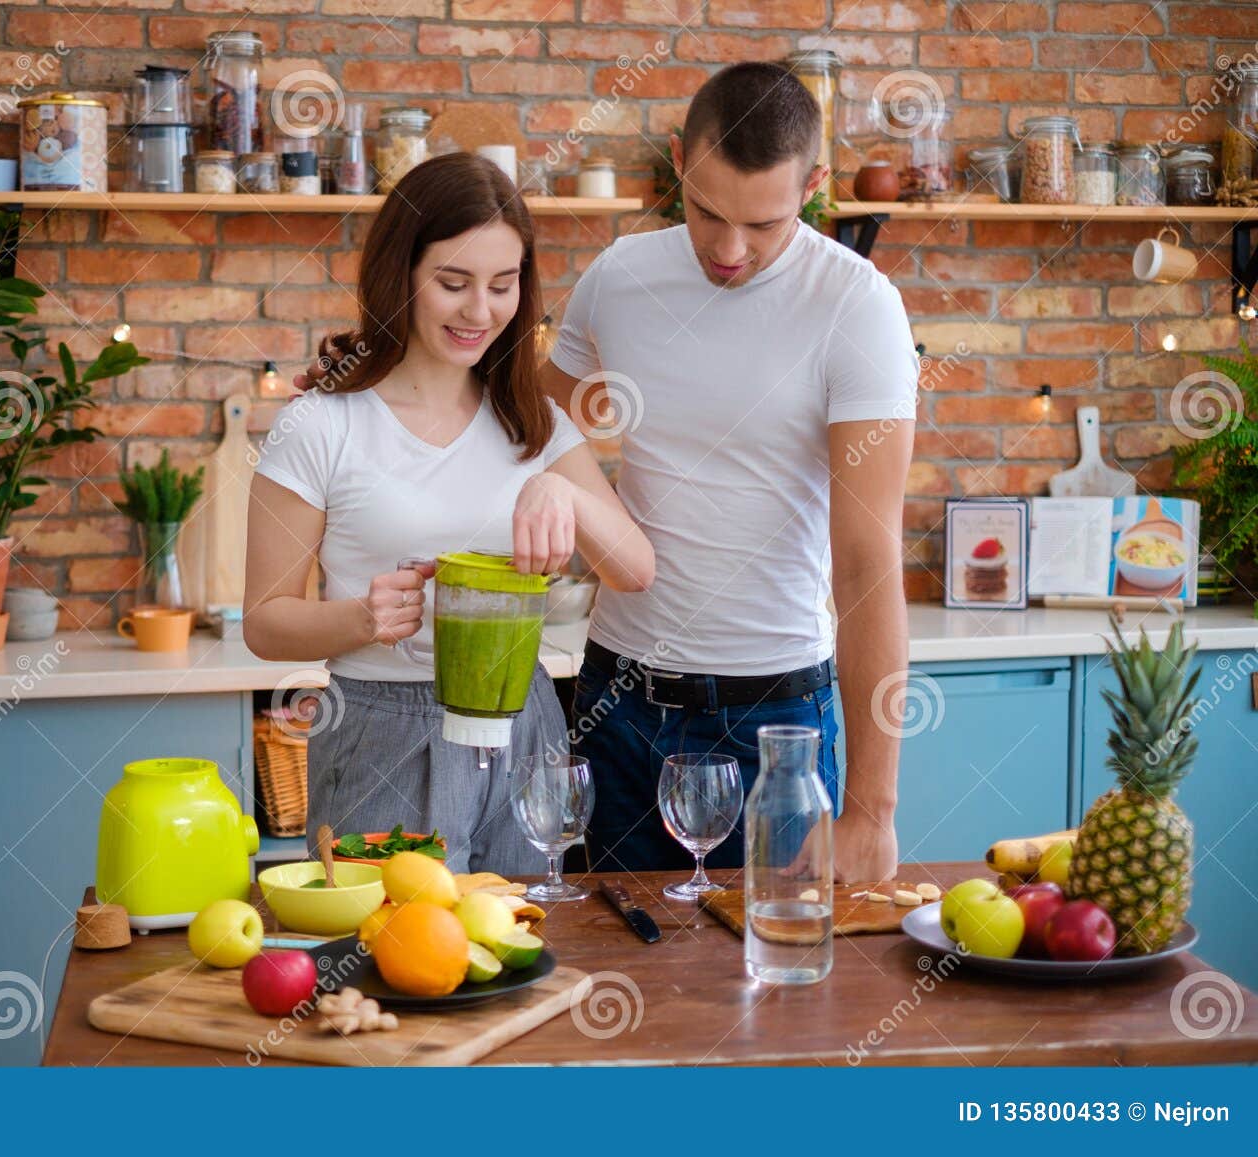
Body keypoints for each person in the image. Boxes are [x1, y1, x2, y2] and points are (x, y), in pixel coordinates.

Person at [539, 62, 917, 882]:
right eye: (707, 211)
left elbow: (865, 562)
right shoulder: (620, 277)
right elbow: (540, 434)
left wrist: (871, 811)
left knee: (780, 996)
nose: (729, 249)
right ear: (679, 159)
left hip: (775, 721)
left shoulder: (858, 308)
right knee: (626, 974)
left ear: (814, 186)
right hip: (617, 705)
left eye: (765, 224)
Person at [244, 152, 654, 875]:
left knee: (522, 953)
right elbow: (264, 620)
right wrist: (359, 619)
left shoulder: (532, 418)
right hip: (378, 726)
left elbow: (635, 568)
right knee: (388, 961)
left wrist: (567, 492)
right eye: (453, 283)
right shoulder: (320, 425)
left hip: (525, 729)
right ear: (399, 273)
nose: (479, 311)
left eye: (503, 285)